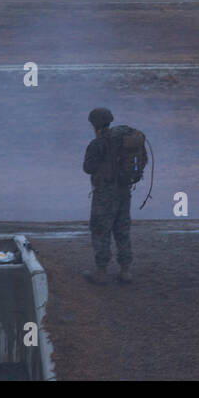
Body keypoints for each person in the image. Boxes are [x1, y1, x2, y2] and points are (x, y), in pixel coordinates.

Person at [83, 107, 133, 284]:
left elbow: (87, 168)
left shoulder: (97, 144)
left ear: (94, 124)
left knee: (100, 229)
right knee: (122, 228)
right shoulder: (123, 140)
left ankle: (101, 272)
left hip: (105, 192)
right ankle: (126, 270)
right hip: (124, 190)